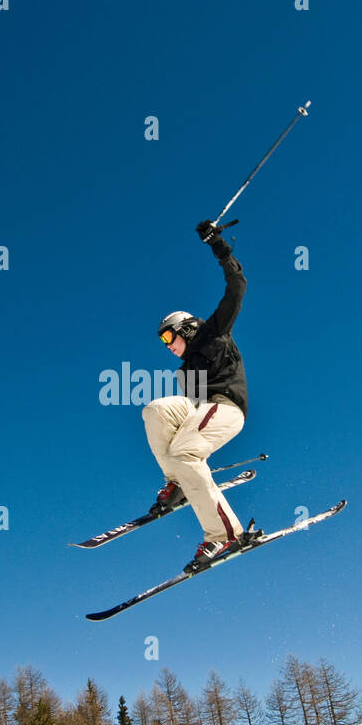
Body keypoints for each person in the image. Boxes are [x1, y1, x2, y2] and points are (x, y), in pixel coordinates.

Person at [143, 220, 259, 573]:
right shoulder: (185, 371)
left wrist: (218, 244)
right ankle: (177, 482)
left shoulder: (213, 333)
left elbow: (237, 287)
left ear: (185, 328)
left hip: (227, 407)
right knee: (156, 410)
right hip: (203, 410)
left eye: (169, 338)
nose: (168, 347)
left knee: (183, 451)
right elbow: (189, 410)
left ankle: (225, 534)